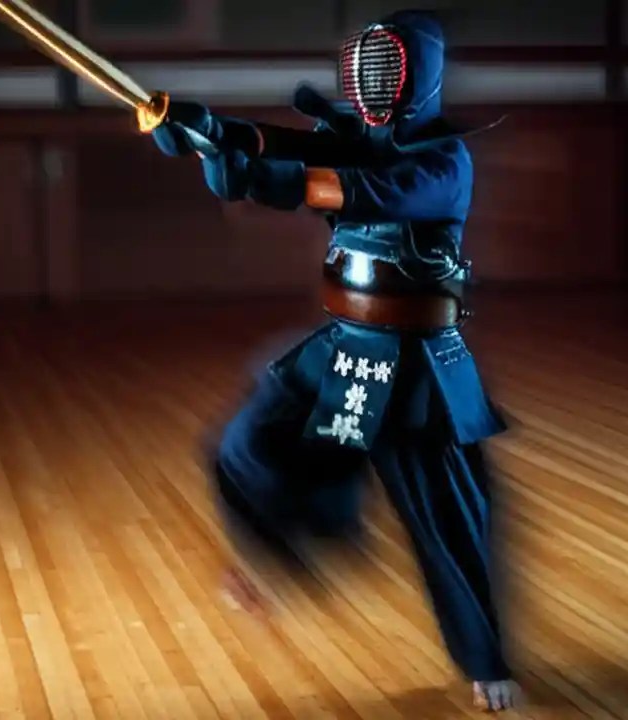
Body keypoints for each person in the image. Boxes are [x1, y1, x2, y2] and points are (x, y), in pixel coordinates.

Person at [150, 9, 519, 713]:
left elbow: (340, 186)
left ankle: (485, 658)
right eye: (366, 66)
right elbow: (283, 146)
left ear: (419, 75)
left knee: (448, 521)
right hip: (347, 346)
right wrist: (209, 133)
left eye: (389, 66)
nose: (371, 81)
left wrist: (255, 176)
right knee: (248, 442)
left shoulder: (445, 163)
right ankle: (285, 552)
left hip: (418, 365)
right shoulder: (351, 140)